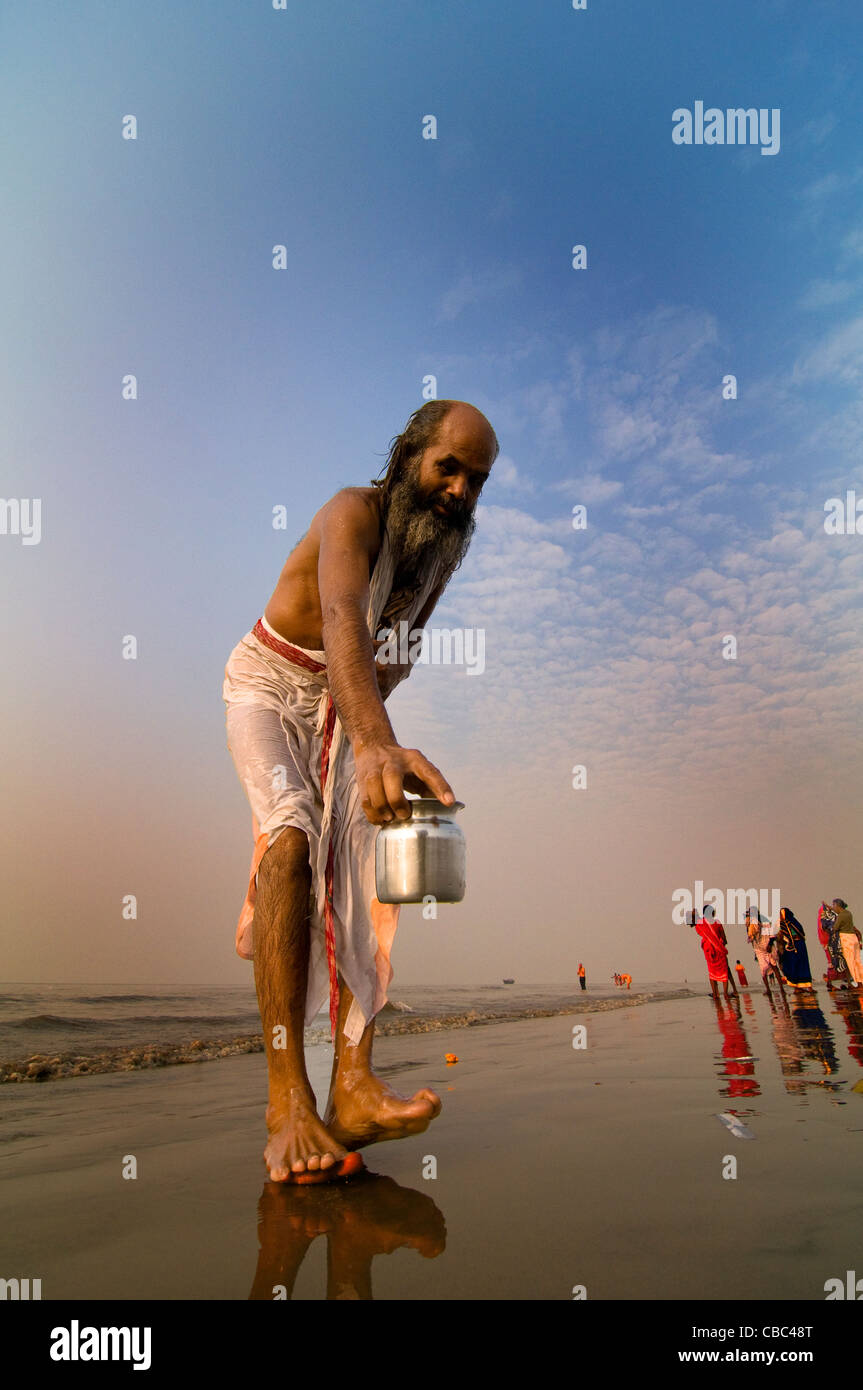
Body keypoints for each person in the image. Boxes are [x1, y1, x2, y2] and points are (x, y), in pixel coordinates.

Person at [223, 400, 498, 1182]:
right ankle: (287, 1104)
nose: (458, 490)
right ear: (410, 452)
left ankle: (351, 1086)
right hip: (270, 683)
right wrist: (375, 738)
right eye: (448, 467)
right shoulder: (350, 512)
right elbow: (345, 614)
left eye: (475, 481)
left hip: (347, 702)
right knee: (290, 838)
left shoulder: (442, 554)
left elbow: (395, 650)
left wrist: (371, 746)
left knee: (369, 859)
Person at [692, 905, 738, 1002]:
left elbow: (693, 923)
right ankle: (725, 994)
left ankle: (715, 994)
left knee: (712, 972)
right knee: (725, 971)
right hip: (719, 950)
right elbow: (724, 939)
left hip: (709, 951)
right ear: (712, 913)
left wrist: (694, 914)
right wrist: (719, 942)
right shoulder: (717, 923)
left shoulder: (701, 923)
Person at [745, 907, 785, 998]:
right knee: (763, 971)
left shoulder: (765, 922)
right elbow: (750, 936)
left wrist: (770, 945)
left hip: (768, 947)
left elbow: (772, 935)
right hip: (759, 949)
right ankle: (768, 989)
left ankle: (781, 988)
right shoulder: (751, 924)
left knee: (774, 967)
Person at [776, 907, 813, 989]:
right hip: (789, 948)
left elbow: (800, 933)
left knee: (803, 965)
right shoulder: (781, 925)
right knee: (791, 966)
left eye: (781, 914)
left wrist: (792, 938)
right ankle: (796, 988)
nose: (780, 916)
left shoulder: (794, 923)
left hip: (799, 946)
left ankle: (809, 987)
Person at [832, 899, 863, 987]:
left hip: (846, 939)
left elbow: (835, 927)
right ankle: (860, 982)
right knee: (857, 962)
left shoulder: (841, 916)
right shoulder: (848, 913)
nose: (833, 908)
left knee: (850, 962)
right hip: (853, 938)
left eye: (834, 906)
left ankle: (858, 983)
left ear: (838, 906)